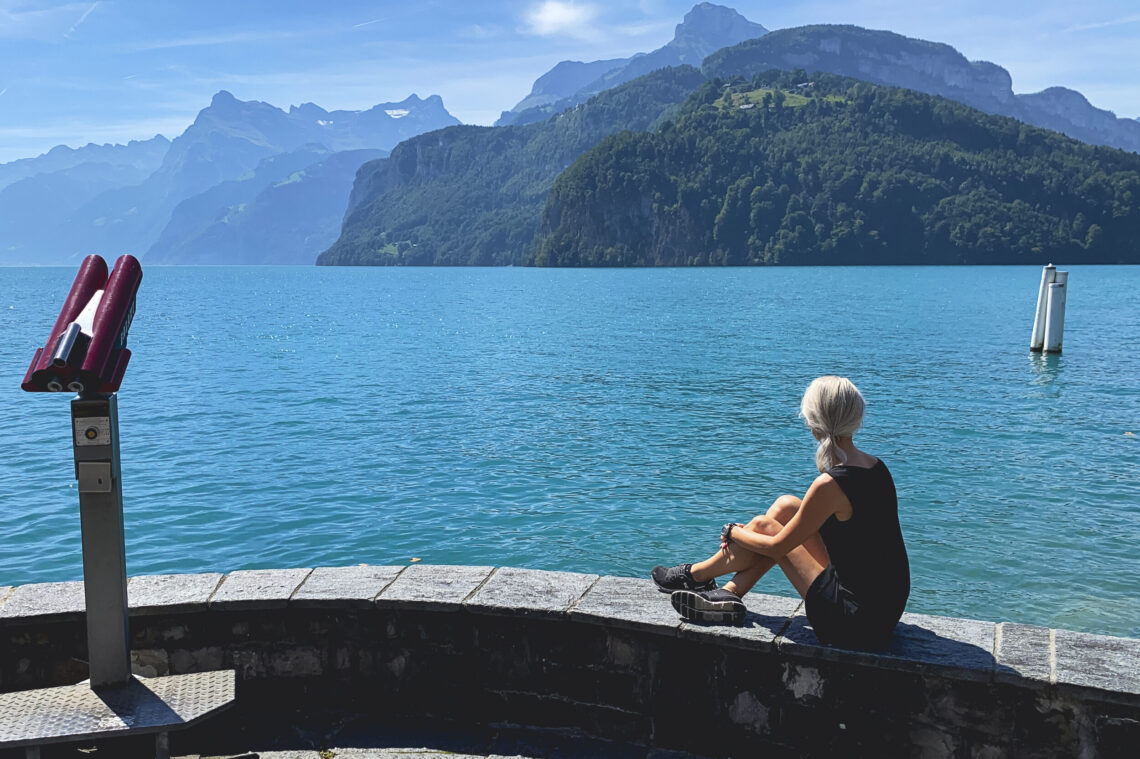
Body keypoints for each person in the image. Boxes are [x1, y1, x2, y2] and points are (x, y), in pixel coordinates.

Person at [651, 376, 909, 649]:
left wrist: (733, 531)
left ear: (813, 423)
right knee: (786, 506)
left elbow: (777, 545)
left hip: (852, 624)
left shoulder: (830, 484)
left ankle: (696, 575)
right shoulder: (876, 467)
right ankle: (727, 593)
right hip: (883, 612)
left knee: (765, 527)